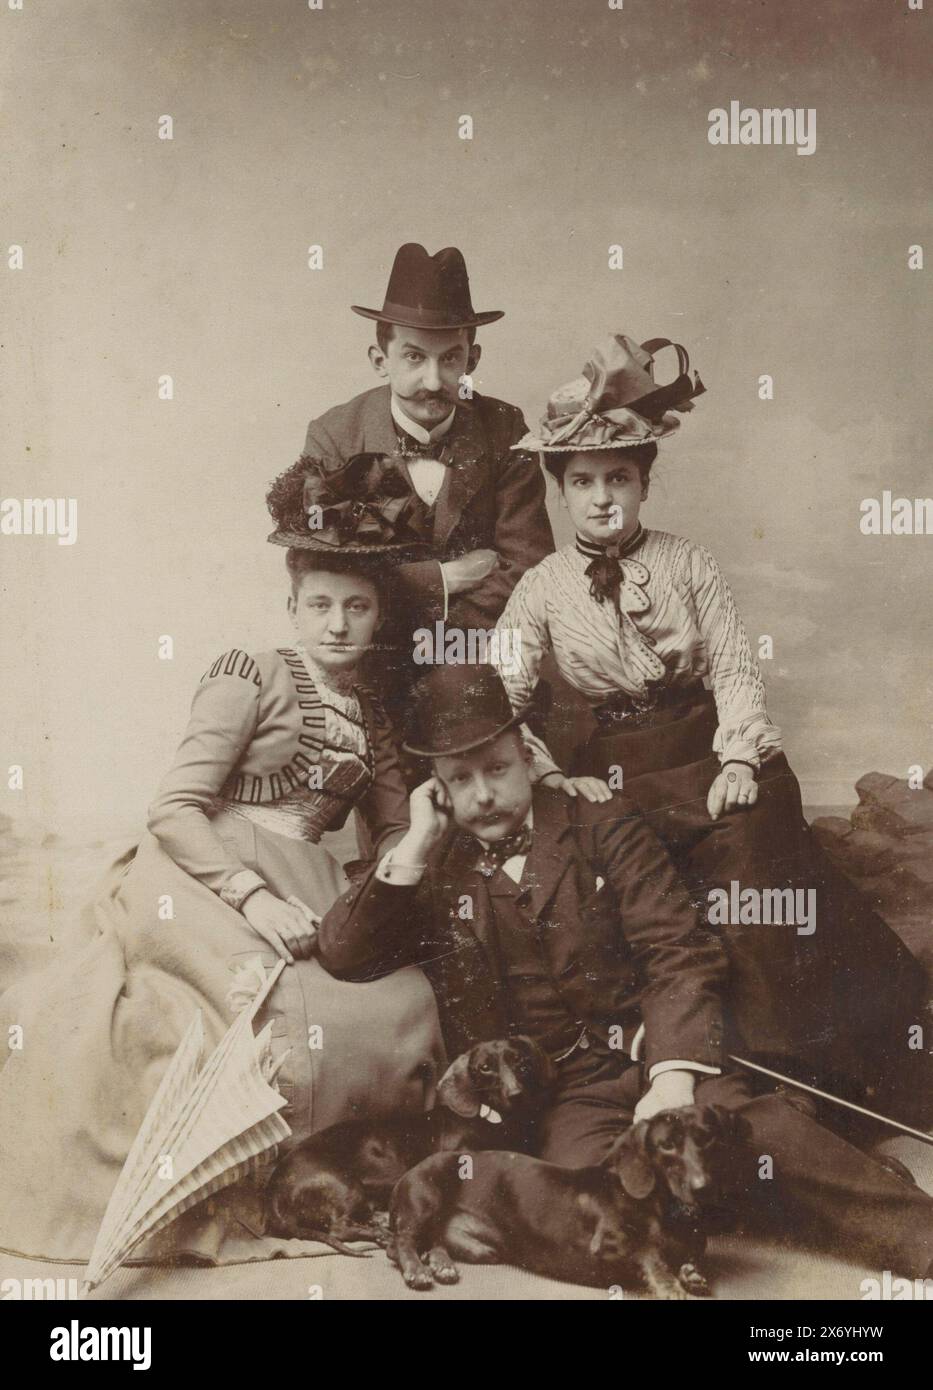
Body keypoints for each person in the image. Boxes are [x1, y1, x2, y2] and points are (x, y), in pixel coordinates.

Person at [317, 663, 933, 1279]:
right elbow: (344, 953)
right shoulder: (432, 859)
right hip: (566, 1095)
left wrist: (671, 1079)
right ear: (437, 789)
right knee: (598, 1213)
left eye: (498, 769)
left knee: (750, 1136)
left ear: (528, 757)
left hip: (654, 1046)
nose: (481, 794)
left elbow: (676, 946)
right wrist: (417, 844)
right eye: (460, 779)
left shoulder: (598, 818)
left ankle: (910, 1229)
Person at [0, 456, 445, 1264]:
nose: (337, 624)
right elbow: (173, 806)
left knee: (403, 1002)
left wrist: (409, 839)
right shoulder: (251, 671)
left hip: (310, 883)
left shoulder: (374, 712)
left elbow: (384, 838)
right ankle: (249, 1194)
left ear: (379, 615)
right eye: (319, 605)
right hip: (202, 878)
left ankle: (324, 1190)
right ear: (291, 604)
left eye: (356, 606)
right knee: (266, 1019)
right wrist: (250, 896)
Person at [490, 333, 930, 1119]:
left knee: (757, 876)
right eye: (583, 481)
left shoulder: (689, 563)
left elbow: (731, 667)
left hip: (709, 753)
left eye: (618, 478)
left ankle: (830, 1077)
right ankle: (746, 1087)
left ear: (644, 483)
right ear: (560, 490)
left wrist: (738, 761)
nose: (601, 498)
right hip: (618, 770)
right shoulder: (540, 588)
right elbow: (502, 701)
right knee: (655, 899)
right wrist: (551, 775)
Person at [302, 242, 554, 730]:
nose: (434, 381)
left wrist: (431, 637)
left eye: (451, 359)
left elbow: (530, 569)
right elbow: (321, 571)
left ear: (472, 359)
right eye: (414, 357)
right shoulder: (334, 435)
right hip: (366, 666)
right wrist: (445, 579)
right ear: (380, 358)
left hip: (483, 668)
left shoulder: (505, 429)